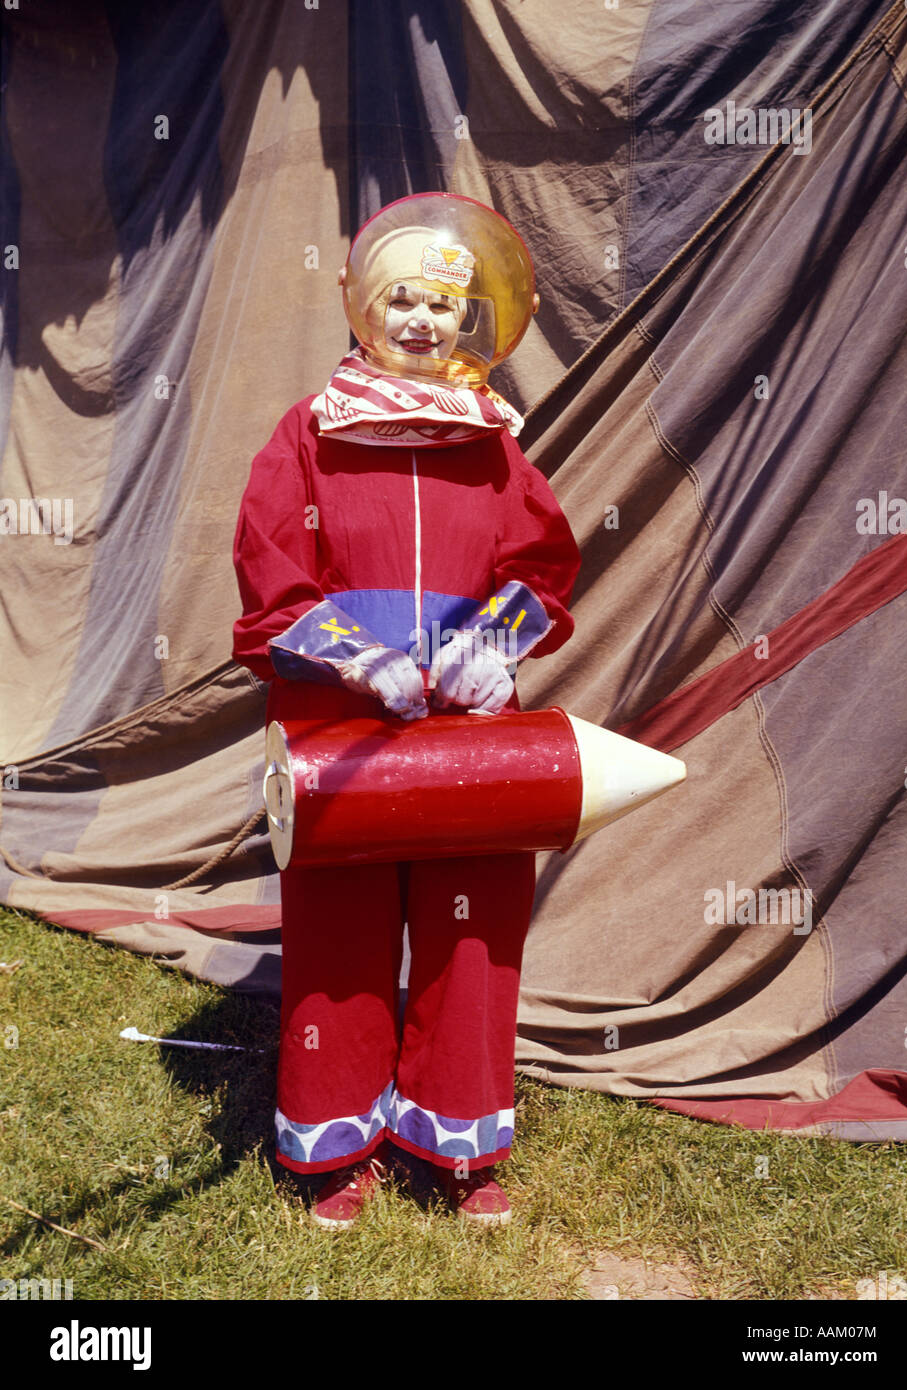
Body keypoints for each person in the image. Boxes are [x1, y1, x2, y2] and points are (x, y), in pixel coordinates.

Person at [232, 193, 581, 1229]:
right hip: (343, 728)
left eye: (442, 303)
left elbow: (542, 566)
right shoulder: (304, 435)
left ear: (467, 317)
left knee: (474, 928)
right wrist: (354, 660)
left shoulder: (495, 442)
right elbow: (271, 580)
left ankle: (456, 1136)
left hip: (473, 734)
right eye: (401, 300)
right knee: (339, 928)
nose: (421, 321)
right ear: (363, 307)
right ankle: (335, 1142)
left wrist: (495, 642)